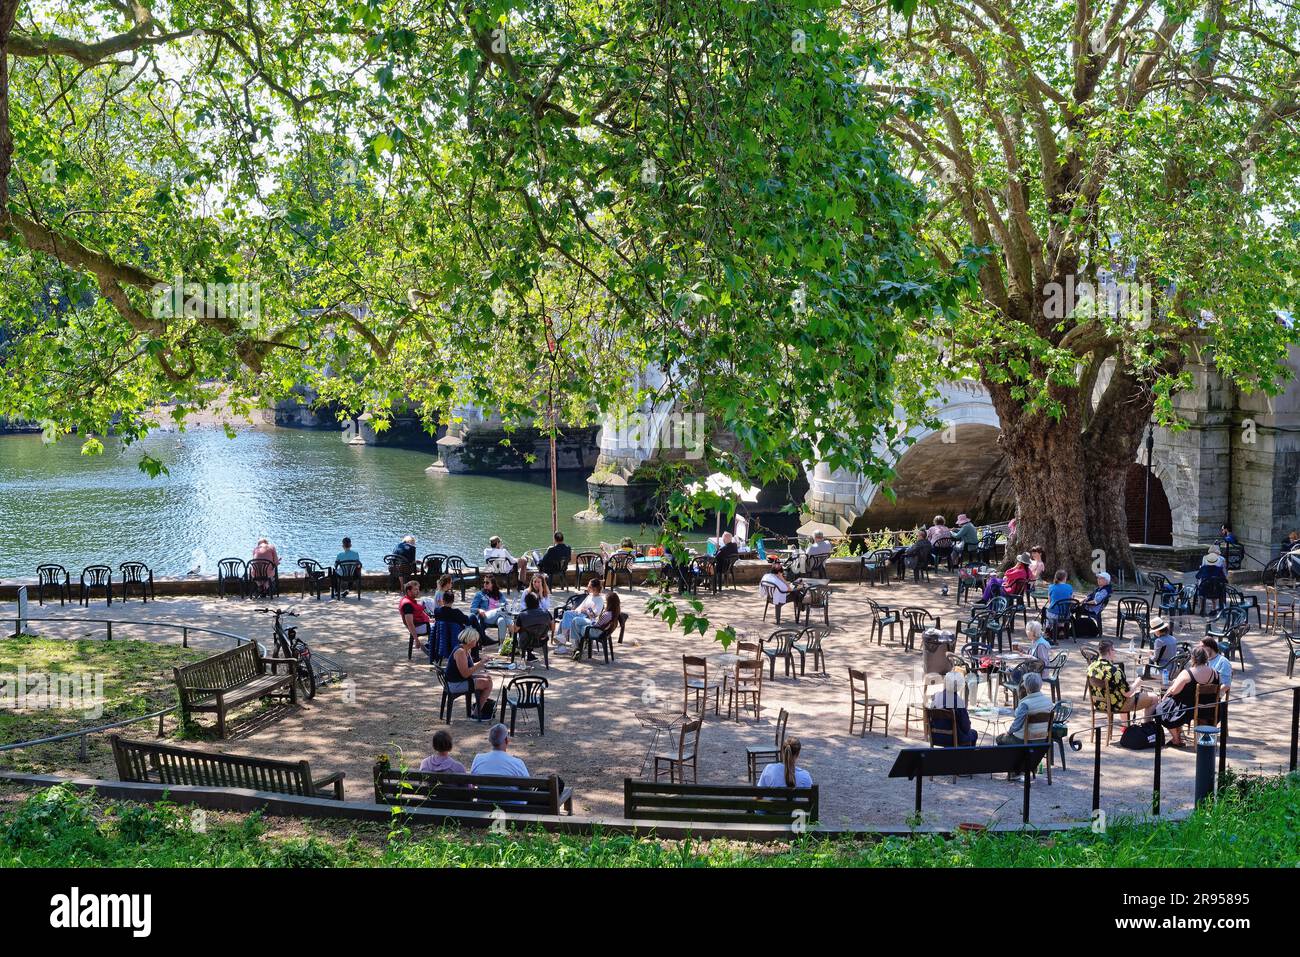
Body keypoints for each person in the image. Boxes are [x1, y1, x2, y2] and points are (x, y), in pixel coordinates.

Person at [1157, 646, 1220, 746]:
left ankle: (1176, 739)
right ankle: (1180, 734)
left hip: (1188, 710)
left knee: (1161, 709)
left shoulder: (1187, 673)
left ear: (1193, 658)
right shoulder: (1215, 673)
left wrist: (1165, 696)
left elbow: (1174, 691)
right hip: (1209, 709)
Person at [1086, 639, 1159, 717]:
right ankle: (1147, 727)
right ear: (1109, 651)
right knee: (1154, 698)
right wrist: (1137, 683)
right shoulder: (1115, 671)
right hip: (1116, 705)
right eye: (1113, 650)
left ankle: (1125, 728)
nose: (1115, 652)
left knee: (1120, 694)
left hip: (1099, 704)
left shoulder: (1090, 667)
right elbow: (1128, 694)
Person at [446, 631, 493, 718]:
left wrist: (482, 662)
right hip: (455, 684)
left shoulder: (465, 650)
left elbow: (469, 668)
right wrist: (480, 664)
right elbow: (465, 674)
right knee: (487, 683)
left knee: (488, 678)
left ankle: (477, 708)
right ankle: (477, 713)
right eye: (476, 640)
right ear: (470, 640)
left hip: (460, 680)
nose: (477, 642)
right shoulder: (460, 652)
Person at [997, 672, 1054, 745]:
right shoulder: (1048, 701)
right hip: (1043, 739)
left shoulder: (1025, 704)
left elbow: (1016, 726)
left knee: (1000, 739)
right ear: (1040, 685)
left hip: (1023, 740)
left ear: (1026, 687)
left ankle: (1016, 756)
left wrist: (1008, 732)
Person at [928, 672, 977, 746]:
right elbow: (966, 727)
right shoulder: (958, 701)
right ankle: (967, 756)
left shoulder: (936, 696)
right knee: (973, 733)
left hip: (936, 736)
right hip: (953, 738)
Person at [571, 591, 621, 659]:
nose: (605, 603)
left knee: (576, 624)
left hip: (596, 632)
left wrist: (592, 620)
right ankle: (579, 646)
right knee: (576, 622)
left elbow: (597, 625)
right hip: (602, 631)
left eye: (606, 602)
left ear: (610, 603)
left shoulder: (607, 614)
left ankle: (577, 647)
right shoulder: (615, 612)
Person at [508, 590, 554, 662]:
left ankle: (522, 655)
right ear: (538, 602)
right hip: (541, 640)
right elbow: (553, 628)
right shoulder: (546, 613)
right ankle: (530, 655)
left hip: (525, 642)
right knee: (531, 630)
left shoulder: (522, 615)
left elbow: (515, 630)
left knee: (523, 631)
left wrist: (511, 623)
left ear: (526, 603)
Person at [559, 578, 604, 648]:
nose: (587, 588)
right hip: (580, 615)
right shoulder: (589, 596)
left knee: (567, 615)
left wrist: (585, 611)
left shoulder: (599, 600)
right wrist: (575, 611)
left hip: (588, 618)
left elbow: (595, 614)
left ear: (594, 588)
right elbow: (580, 607)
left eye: (589, 587)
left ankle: (563, 639)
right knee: (563, 620)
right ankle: (561, 645)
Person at [431, 590, 473, 662]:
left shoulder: (437, 611)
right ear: (453, 601)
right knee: (473, 618)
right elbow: (467, 621)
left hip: (442, 638)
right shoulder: (456, 612)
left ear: (443, 600)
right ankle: (475, 655)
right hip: (456, 637)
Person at [469, 573, 508, 645]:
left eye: (487, 582)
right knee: (500, 610)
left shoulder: (499, 594)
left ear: (492, 584)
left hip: (497, 617)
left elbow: (506, 605)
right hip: (486, 616)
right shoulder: (480, 594)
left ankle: (501, 645)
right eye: (484, 582)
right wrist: (479, 610)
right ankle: (511, 625)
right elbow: (472, 609)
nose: (485, 584)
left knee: (502, 620)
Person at [399, 580, 432, 654]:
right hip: (419, 626)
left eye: (418, 589)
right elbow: (410, 623)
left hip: (423, 624)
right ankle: (431, 648)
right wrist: (416, 640)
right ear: (408, 591)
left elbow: (418, 614)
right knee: (442, 626)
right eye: (415, 589)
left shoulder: (409, 600)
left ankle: (430, 646)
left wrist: (429, 620)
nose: (418, 591)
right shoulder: (407, 604)